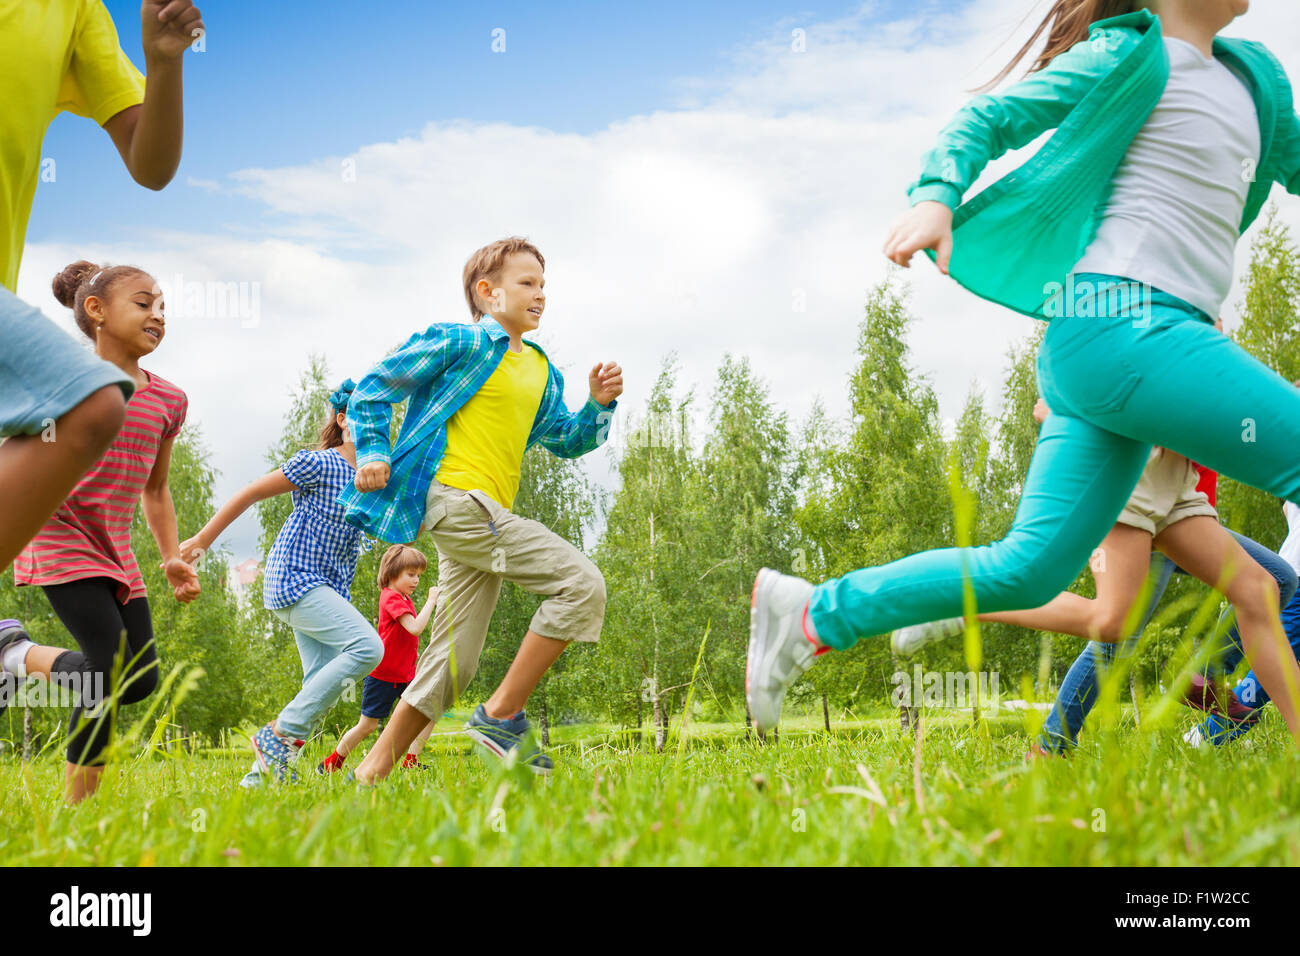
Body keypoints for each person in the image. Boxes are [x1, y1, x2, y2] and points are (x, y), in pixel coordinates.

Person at [747, 0, 1300, 744]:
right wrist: (937, 196)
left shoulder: (1253, 79)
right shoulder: (1125, 58)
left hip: (1109, 354)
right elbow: (989, 120)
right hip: (1124, 324)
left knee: (1027, 571)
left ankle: (814, 612)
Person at [346, 237, 620, 783]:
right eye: (527, 283)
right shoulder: (458, 344)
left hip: (483, 515)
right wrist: (374, 452)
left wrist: (598, 404)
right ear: (487, 292)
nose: (540, 294)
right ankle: (500, 716)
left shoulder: (542, 370)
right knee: (581, 584)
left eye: (543, 285)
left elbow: (564, 438)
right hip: (456, 502)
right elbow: (373, 388)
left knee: (453, 664)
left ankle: (369, 776)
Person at [891, 399, 1297, 754]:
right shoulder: (1151, 334)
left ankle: (1202, 675)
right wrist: (1069, 413)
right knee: (1114, 628)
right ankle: (977, 609)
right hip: (1141, 494)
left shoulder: (1199, 347)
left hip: (1184, 502)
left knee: (1274, 581)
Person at [0, 0, 204, 571]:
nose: (157, 314)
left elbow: (151, 163)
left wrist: (163, 62)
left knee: (94, 403)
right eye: (144, 302)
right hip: (73, 561)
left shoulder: (70, 9)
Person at [0, 260, 196, 803]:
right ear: (96, 310)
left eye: (163, 307)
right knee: (104, 673)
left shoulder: (169, 400)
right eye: (143, 303)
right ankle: (79, 814)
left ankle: (14, 654)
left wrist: (171, 556)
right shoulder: (65, 386)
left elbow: (156, 491)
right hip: (57, 536)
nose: (157, 315)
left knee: (140, 682)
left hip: (116, 549)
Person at [178, 380, 383, 785]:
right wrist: (203, 540)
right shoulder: (320, 464)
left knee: (319, 682)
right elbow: (252, 492)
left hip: (327, 588)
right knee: (367, 647)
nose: (373, 424)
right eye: (363, 415)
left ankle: (260, 776)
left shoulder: (373, 479)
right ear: (343, 421)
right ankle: (277, 734)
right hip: (294, 578)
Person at [317, 545, 439, 774]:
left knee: (428, 712)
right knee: (367, 725)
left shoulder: (403, 597)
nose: (416, 581)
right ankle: (331, 763)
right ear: (393, 573)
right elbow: (414, 628)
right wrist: (431, 600)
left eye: (419, 576)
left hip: (404, 675)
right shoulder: (391, 597)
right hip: (383, 676)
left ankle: (411, 760)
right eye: (411, 574)